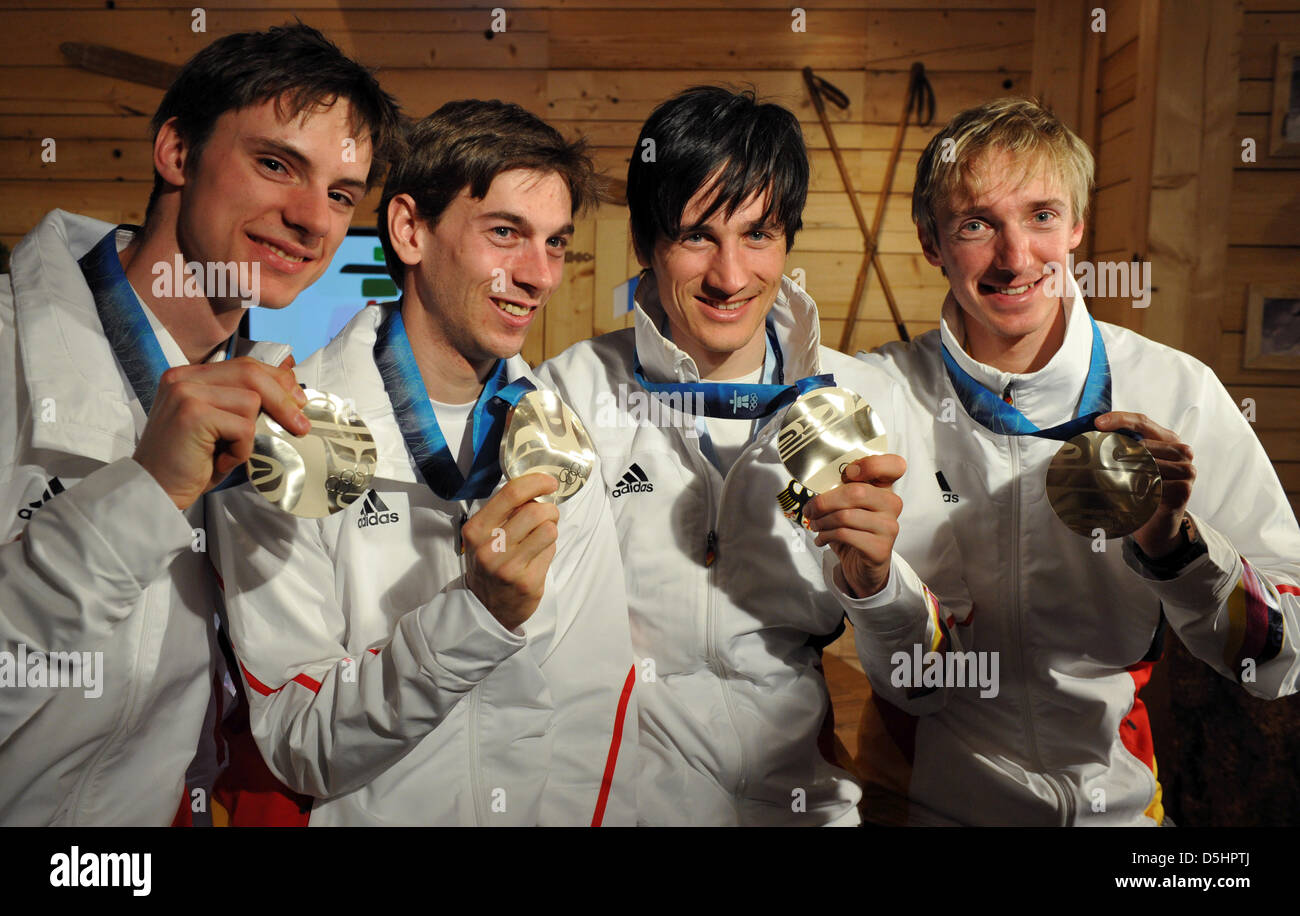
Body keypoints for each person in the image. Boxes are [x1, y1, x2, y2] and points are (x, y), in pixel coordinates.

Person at [854, 97, 1300, 825]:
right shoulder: (875, 395)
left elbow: (1282, 659)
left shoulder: (1176, 390)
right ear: (932, 242)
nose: (1015, 257)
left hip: (1114, 807)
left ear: (1078, 228)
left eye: (1041, 216)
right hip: (921, 801)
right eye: (976, 224)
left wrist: (1177, 549)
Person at [0, 23, 401, 826]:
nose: (311, 220)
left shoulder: (281, 410)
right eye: (277, 164)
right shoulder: (12, 353)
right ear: (178, 152)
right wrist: (144, 495)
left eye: (339, 194)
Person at [537, 86, 965, 826]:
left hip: (800, 802)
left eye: (758, 235)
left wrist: (876, 586)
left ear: (787, 242)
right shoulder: (568, 393)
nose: (730, 277)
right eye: (697, 236)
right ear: (645, 242)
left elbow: (927, 684)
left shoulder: (864, 403)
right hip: (611, 800)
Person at [207, 100, 638, 826]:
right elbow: (295, 739)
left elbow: (591, 704)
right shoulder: (284, 433)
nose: (539, 275)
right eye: (506, 233)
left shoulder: (558, 437)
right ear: (411, 230)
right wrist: (474, 618)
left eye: (556, 244)